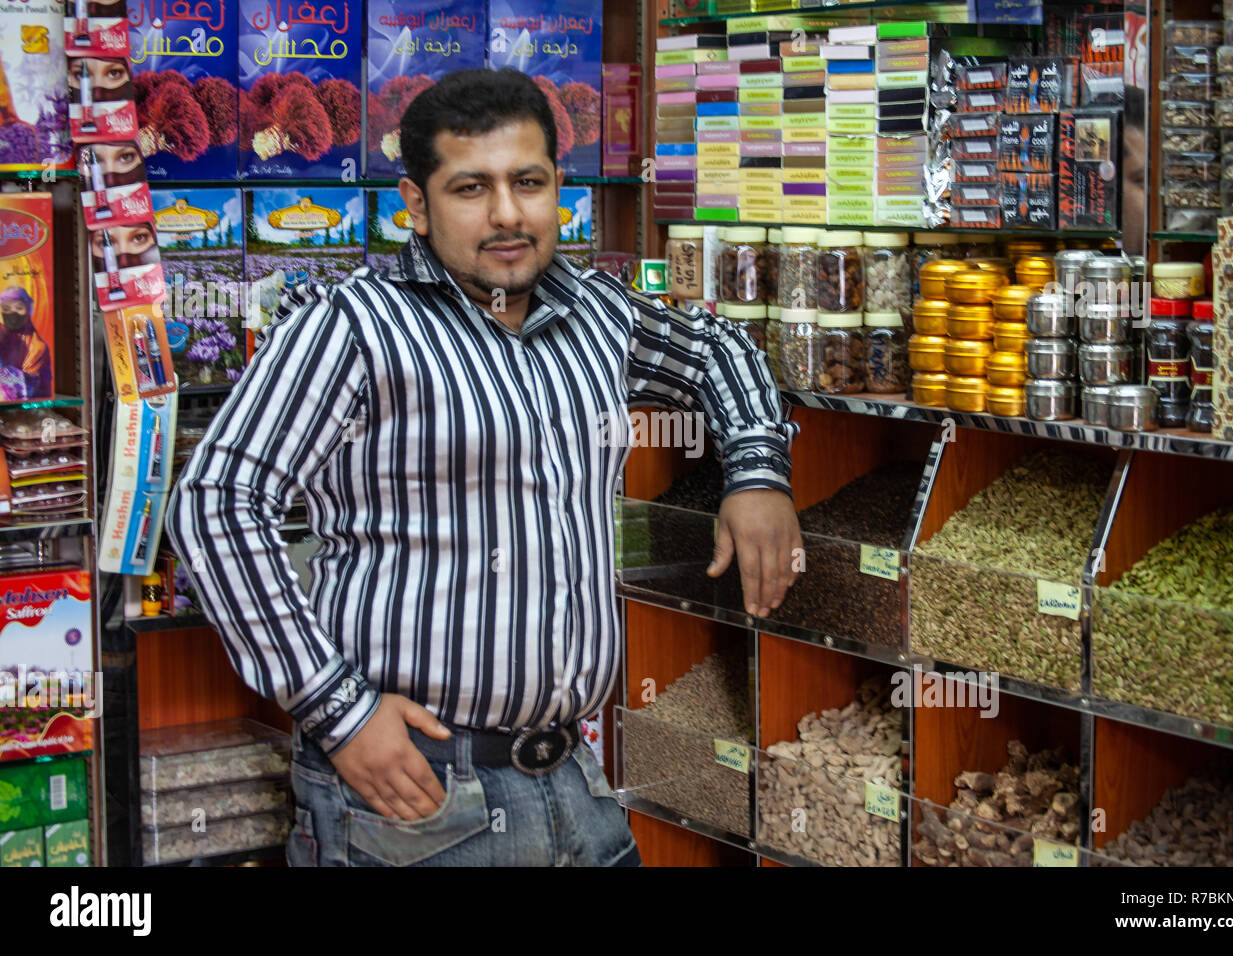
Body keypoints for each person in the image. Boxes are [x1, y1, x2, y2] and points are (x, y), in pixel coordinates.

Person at [165, 67, 802, 868]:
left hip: (572, 776)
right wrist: (339, 713)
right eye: (471, 188)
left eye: (527, 182)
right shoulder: (354, 327)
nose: (507, 213)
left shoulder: (596, 310)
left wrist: (756, 473)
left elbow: (716, 348)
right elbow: (217, 504)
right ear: (416, 205)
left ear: (558, 189)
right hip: (416, 794)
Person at [0, 287, 52, 400]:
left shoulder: (37, 348)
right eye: (6, 308)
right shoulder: (2, 333)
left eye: (19, 308)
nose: (12, 313)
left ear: (28, 310)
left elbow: (24, 389)